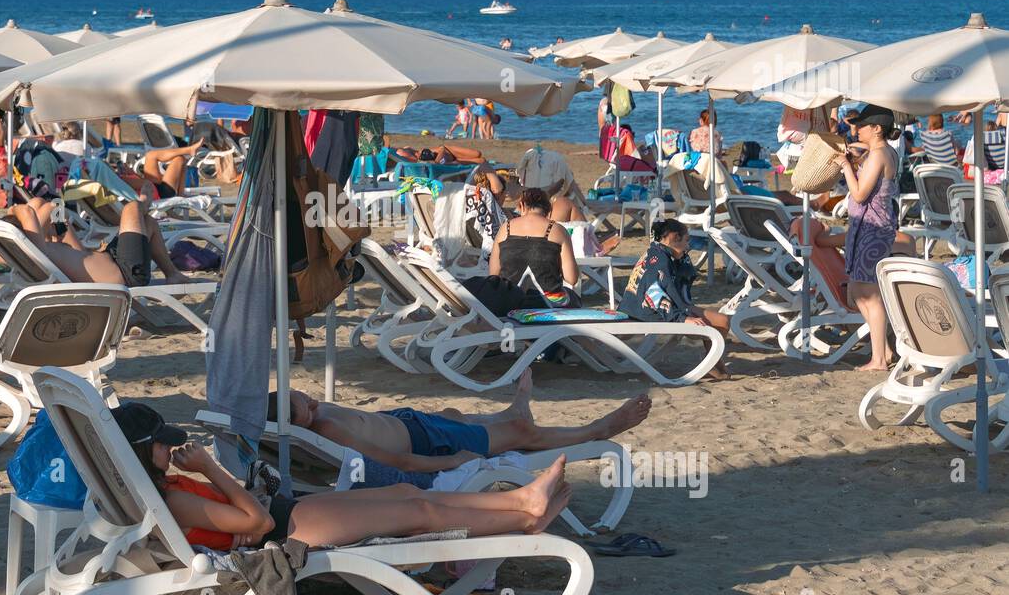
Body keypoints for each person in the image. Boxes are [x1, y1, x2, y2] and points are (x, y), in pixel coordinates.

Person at [120, 404, 574, 551]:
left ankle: (522, 501)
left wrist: (199, 473)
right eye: (161, 444)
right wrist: (210, 468)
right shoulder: (173, 501)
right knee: (418, 512)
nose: (171, 448)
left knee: (402, 489)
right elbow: (255, 524)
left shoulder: (169, 486)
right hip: (283, 533)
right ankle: (525, 518)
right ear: (143, 453)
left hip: (289, 514)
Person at [268, 368, 651, 482]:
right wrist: (449, 463)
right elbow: (396, 463)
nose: (315, 403)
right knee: (519, 437)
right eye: (307, 411)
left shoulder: (307, 418)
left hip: (410, 423)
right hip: (426, 444)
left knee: (454, 414)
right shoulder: (325, 430)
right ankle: (598, 430)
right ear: (299, 427)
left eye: (306, 397)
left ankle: (515, 411)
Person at [834, 104, 901, 371]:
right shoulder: (883, 152)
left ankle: (879, 359)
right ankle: (882, 349)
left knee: (870, 294)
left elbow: (860, 194)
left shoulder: (878, 154)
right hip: (871, 228)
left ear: (876, 128)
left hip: (873, 230)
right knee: (860, 290)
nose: (856, 128)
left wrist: (844, 167)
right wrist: (854, 159)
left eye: (861, 125)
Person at [619, 218, 730, 377]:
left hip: (654, 307)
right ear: (674, 237)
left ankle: (711, 361)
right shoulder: (659, 259)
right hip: (646, 312)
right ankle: (712, 363)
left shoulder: (658, 253)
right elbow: (654, 294)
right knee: (719, 323)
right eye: (686, 240)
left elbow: (672, 287)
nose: (688, 245)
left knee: (722, 321)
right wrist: (681, 318)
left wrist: (684, 310)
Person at [7, 196, 190, 286]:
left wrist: (57, 226)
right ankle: (146, 202)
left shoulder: (45, 249)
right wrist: (14, 210)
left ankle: (172, 274)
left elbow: (51, 206)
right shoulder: (35, 249)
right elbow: (36, 210)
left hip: (112, 258)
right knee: (131, 208)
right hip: (125, 271)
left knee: (148, 223)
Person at [489, 188, 580, 307]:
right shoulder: (557, 230)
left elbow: (493, 275)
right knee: (573, 297)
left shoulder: (505, 228)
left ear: (521, 205)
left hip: (510, 302)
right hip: (548, 304)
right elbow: (572, 278)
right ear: (549, 210)